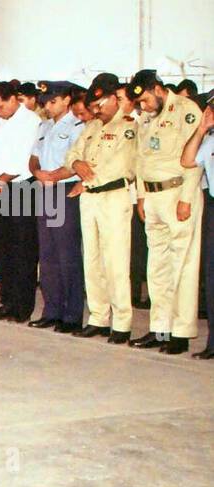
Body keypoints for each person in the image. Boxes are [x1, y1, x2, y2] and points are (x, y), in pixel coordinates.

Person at [128, 69, 205, 354]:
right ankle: (159, 328)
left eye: (146, 100)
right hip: (153, 197)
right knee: (157, 266)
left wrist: (186, 198)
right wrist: (141, 196)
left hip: (177, 195)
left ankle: (181, 332)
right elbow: (140, 159)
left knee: (182, 265)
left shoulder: (186, 111)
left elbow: (194, 157)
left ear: (158, 89)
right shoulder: (147, 118)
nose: (143, 106)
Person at [67, 72, 137, 344]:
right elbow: (73, 152)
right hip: (90, 197)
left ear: (114, 99)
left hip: (113, 196)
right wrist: (76, 165)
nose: (96, 111)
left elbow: (120, 165)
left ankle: (122, 322)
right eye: (93, 107)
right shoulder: (92, 127)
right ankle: (98, 316)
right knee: (92, 259)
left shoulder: (127, 127)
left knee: (116, 261)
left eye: (101, 105)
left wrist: (87, 175)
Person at [0, 81, 44, 323]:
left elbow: (23, 158)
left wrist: (2, 179)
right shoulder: (0, 121)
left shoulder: (30, 121)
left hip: (20, 188)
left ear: (13, 99)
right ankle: (7, 301)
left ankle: (22, 306)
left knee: (22, 249)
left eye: (0, 106)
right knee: (2, 247)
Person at [28, 81, 87, 332]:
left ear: (66, 100)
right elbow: (33, 157)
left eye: (53, 102)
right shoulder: (44, 126)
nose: (49, 107)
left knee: (67, 254)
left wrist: (52, 176)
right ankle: (51, 310)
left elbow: (76, 162)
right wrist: (37, 172)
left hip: (64, 190)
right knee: (48, 254)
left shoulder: (77, 126)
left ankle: (72, 314)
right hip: (45, 188)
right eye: (46, 103)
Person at [181, 97, 214, 358]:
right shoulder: (211, 140)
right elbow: (188, 160)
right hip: (213, 205)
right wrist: (201, 129)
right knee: (212, 276)